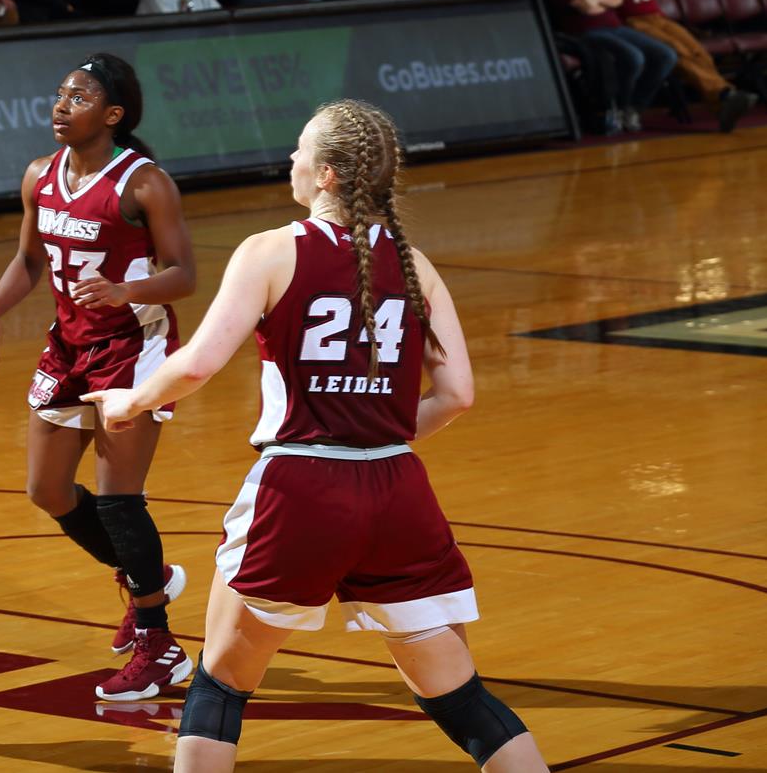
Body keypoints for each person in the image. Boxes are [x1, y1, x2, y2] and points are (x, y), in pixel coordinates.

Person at [87, 100, 550, 773]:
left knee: (220, 684)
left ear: (327, 174)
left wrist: (131, 399)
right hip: (398, 491)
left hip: (301, 486)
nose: (292, 162)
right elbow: (458, 394)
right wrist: (377, 434)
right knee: (461, 698)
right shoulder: (416, 264)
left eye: (302, 150)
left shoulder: (272, 250)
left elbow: (197, 364)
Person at [0, 54, 197, 697]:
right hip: (68, 346)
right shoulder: (39, 176)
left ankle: (158, 643)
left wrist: (128, 290)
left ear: (113, 115)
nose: (61, 104)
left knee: (120, 496)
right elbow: (28, 257)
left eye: (79, 96)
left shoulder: (145, 184)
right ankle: (141, 575)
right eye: (60, 93)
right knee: (46, 489)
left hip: (134, 345)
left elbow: (184, 272)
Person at [592, 0, 752, 132]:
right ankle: (724, 95)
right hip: (632, 22)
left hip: (658, 17)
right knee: (679, 52)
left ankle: (723, 103)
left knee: (698, 51)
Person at [545, 0, 677, 135]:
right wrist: (603, 0)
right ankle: (622, 107)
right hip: (586, 32)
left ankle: (634, 108)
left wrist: (598, 1)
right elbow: (586, 8)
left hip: (616, 27)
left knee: (666, 55)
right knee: (634, 57)